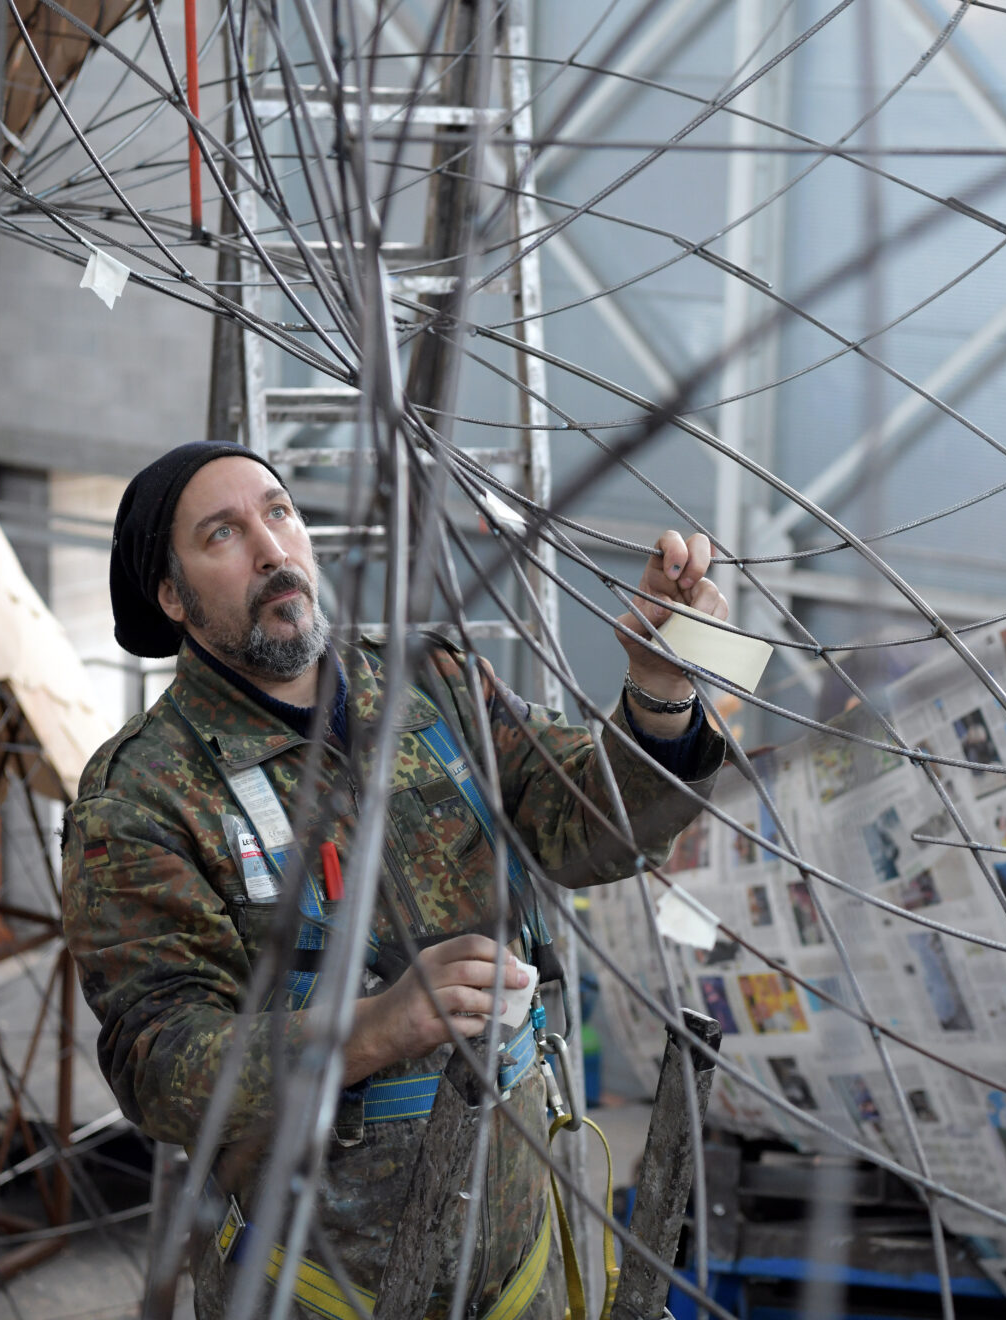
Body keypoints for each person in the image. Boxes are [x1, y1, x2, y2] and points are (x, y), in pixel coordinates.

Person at [61, 442, 728, 1320]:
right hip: (319, 1289)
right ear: (173, 598)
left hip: (522, 1260)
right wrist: (372, 1029)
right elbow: (160, 1065)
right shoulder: (144, 795)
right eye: (223, 534)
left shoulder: (434, 682)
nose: (271, 549)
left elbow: (586, 830)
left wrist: (660, 692)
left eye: (279, 511)